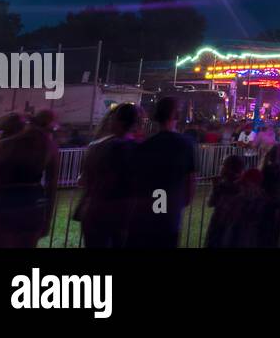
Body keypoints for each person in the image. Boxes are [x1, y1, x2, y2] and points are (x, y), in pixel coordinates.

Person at [0, 110, 60, 248]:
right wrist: (46, 219)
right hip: (32, 208)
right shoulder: (47, 147)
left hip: (1, 208)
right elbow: (52, 186)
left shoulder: (3, 147)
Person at [126, 98, 196, 248]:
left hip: (146, 210)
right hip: (170, 210)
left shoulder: (146, 145)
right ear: (174, 115)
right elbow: (190, 179)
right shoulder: (185, 144)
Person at [77, 103, 137, 248]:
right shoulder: (140, 150)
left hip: (96, 210)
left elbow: (83, 180)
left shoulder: (95, 147)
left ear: (117, 121)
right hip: (126, 213)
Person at [205, 155, 246, 248]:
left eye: (223, 165)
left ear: (230, 168)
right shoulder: (240, 185)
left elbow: (211, 202)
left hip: (223, 225)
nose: (221, 167)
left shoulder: (227, 186)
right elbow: (211, 203)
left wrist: (215, 186)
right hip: (226, 225)